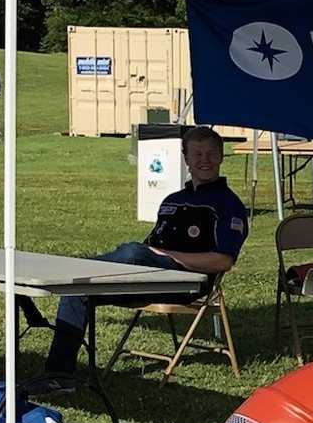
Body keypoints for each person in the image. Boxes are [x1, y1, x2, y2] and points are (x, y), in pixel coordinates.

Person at [31, 126, 248, 391]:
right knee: (78, 290)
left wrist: (170, 256)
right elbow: (152, 246)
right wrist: (151, 256)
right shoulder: (172, 200)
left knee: (133, 253)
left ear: (222, 157)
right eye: (198, 154)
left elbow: (223, 261)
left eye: (211, 154)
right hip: (149, 276)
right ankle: (59, 377)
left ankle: (78, 268)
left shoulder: (228, 205)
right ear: (186, 159)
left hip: (187, 282)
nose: (205, 160)